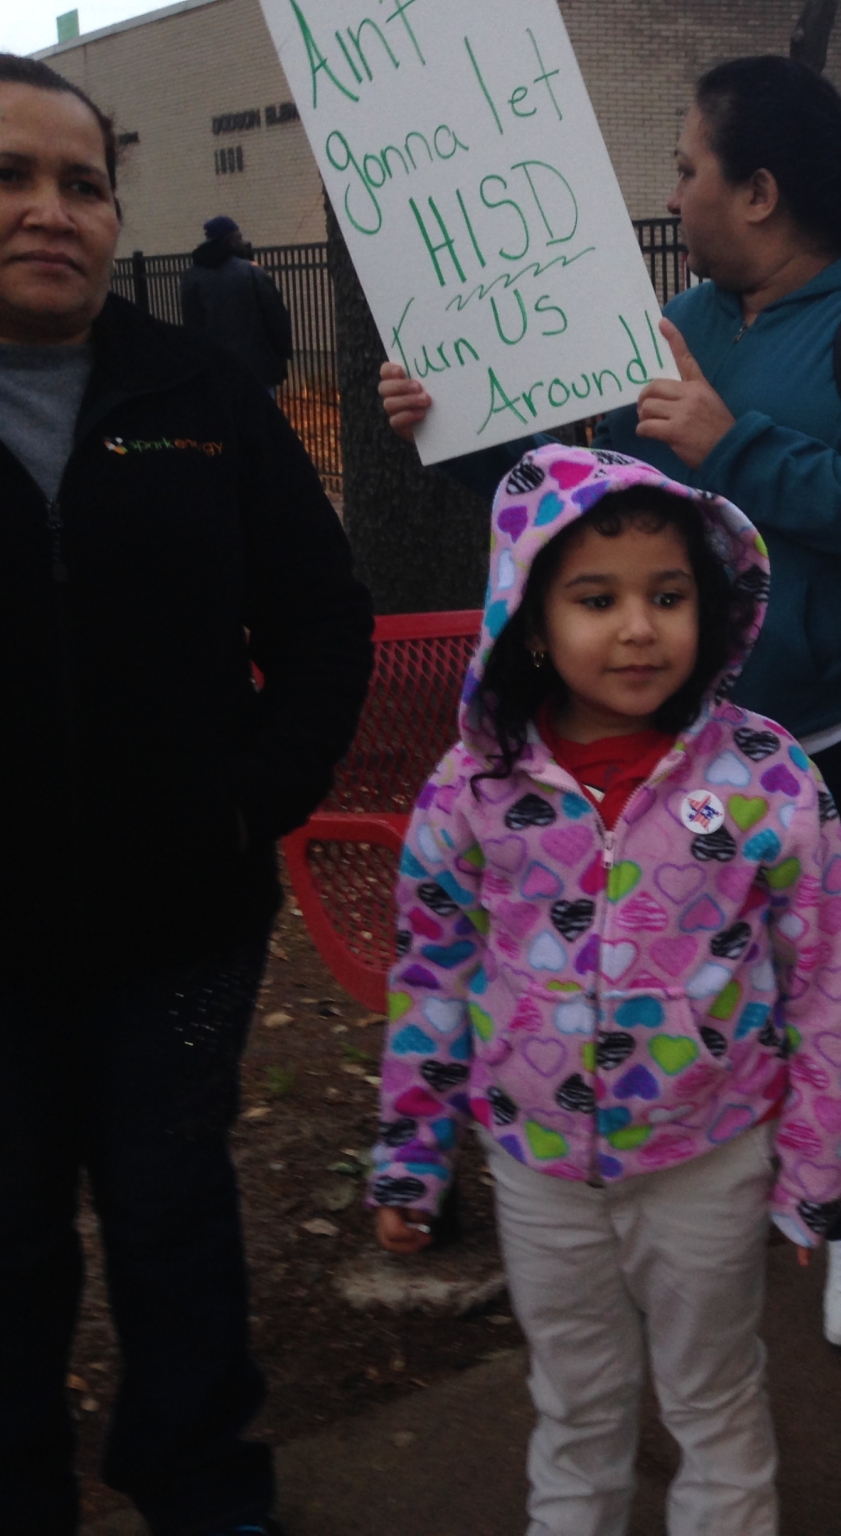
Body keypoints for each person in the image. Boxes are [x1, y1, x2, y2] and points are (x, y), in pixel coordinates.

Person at [378, 55, 841, 1352]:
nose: (673, 192)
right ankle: (749, 1185)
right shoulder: (681, 319)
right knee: (721, 982)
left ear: (757, 191)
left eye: (688, 168)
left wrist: (733, 447)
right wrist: (460, 427)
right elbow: (599, 488)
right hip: (701, 745)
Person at [0, 55, 373, 1536]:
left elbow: (324, 616)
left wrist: (256, 799)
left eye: (81, 184)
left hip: (179, 926)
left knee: (174, 1223)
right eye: (12, 178)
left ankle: (204, 1486)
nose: (50, 211)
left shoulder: (198, 392)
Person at [370, 444, 841, 1534]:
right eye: (596, 598)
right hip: (536, 1164)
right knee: (575, 1399)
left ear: (712, 607)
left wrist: (815, 1165)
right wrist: (409, 1156)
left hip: (709, 1154)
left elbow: (829, 976)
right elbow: (431, 973)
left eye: (668, 595)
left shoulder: (768, 775)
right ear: (531, 622)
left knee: (713, 1395)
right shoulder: (473, 785)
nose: (638, 628)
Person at [179, 215, 292, 394]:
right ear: (230, 240)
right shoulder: (252, 272)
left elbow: (192, 328)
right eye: (238, 237)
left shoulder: (191, 278)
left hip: (217, 372)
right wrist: (282, 355)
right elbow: (277, 319)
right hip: (258, 369)